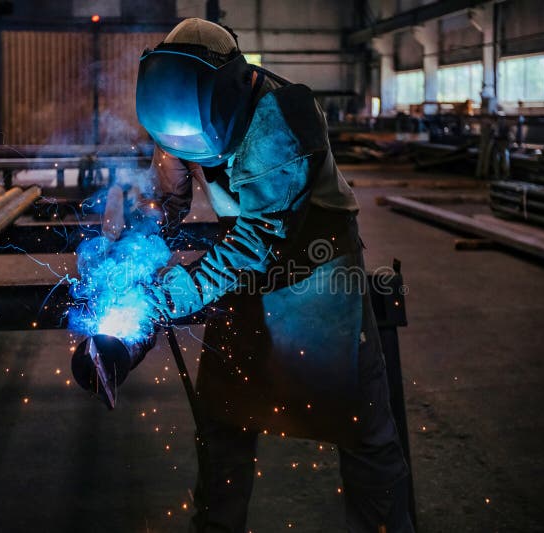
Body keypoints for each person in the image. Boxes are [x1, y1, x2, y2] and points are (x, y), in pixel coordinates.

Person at [108, 17, 414, 533]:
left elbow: (258, 238)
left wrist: (183, 290)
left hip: (315, 275)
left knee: (362, 429)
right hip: (245, 276)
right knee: (223, 422)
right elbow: (171, 194)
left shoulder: (282, 118)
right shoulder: (177, 110)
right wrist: (143, 231)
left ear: (234, 88)